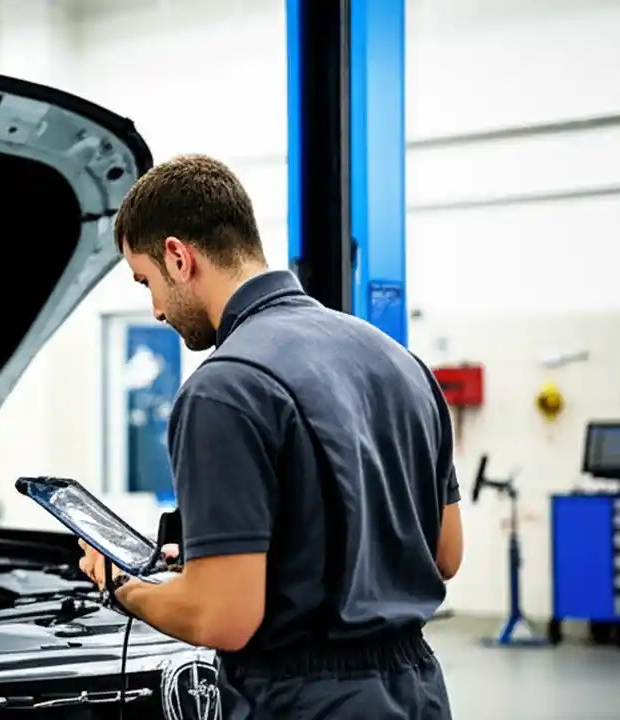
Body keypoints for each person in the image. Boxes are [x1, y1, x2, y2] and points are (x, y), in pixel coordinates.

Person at [78, 154, 462, 719]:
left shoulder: (223, 389)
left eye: (146, 281)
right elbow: (445, 554)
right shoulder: (402, 363)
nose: (156, 310)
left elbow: (223, 618)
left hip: (304, 703)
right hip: (420, 694)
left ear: (179, 257)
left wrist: (121, 586)